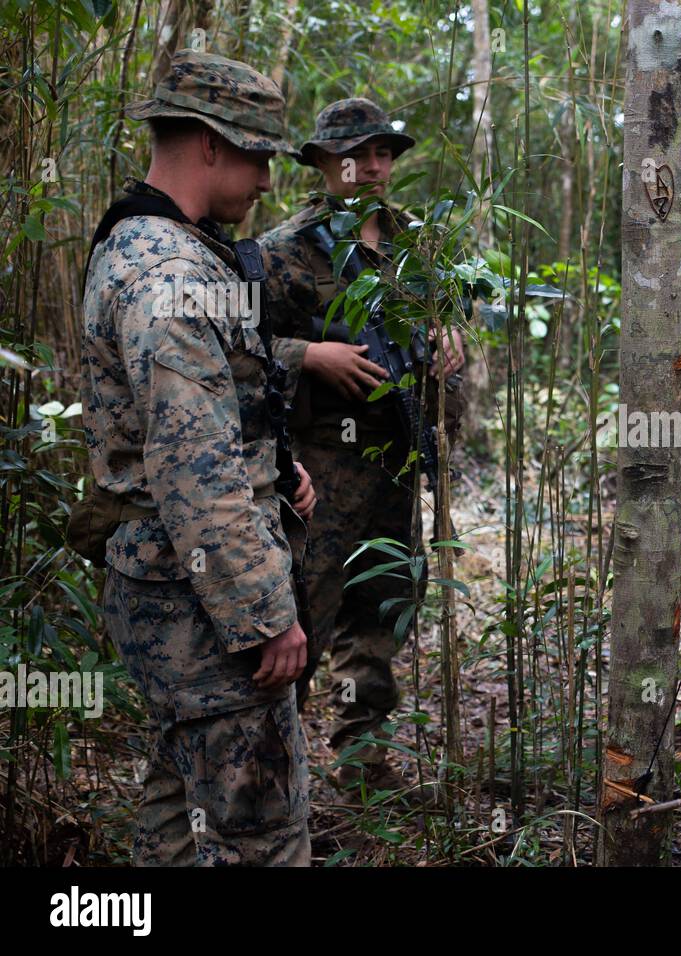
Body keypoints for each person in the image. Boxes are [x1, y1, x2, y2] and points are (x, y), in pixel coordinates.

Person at [80, 49, 316, 865]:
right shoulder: (169, 273)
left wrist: (273, 470)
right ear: (210, 143)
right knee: (260, 835)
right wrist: (264, 615)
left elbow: (207, 421)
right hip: (202, 615)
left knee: (179, 820)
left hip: (172, 596)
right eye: (257, 156)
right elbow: (192, 468)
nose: (265, 181)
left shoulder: (149, 243)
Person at [260, 98, 466, 797]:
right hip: (318, 470)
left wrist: (451, 345)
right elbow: (232, 349)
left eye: (384, 153)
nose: (374, 166)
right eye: (357, 154)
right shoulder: (284, 249)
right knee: (301, 619)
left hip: (398, 460)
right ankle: (267, 781)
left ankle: (363, 765)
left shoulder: (416, 244)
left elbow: (446, 329)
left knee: (380, 618)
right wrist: (309, 354)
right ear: (321, 163)